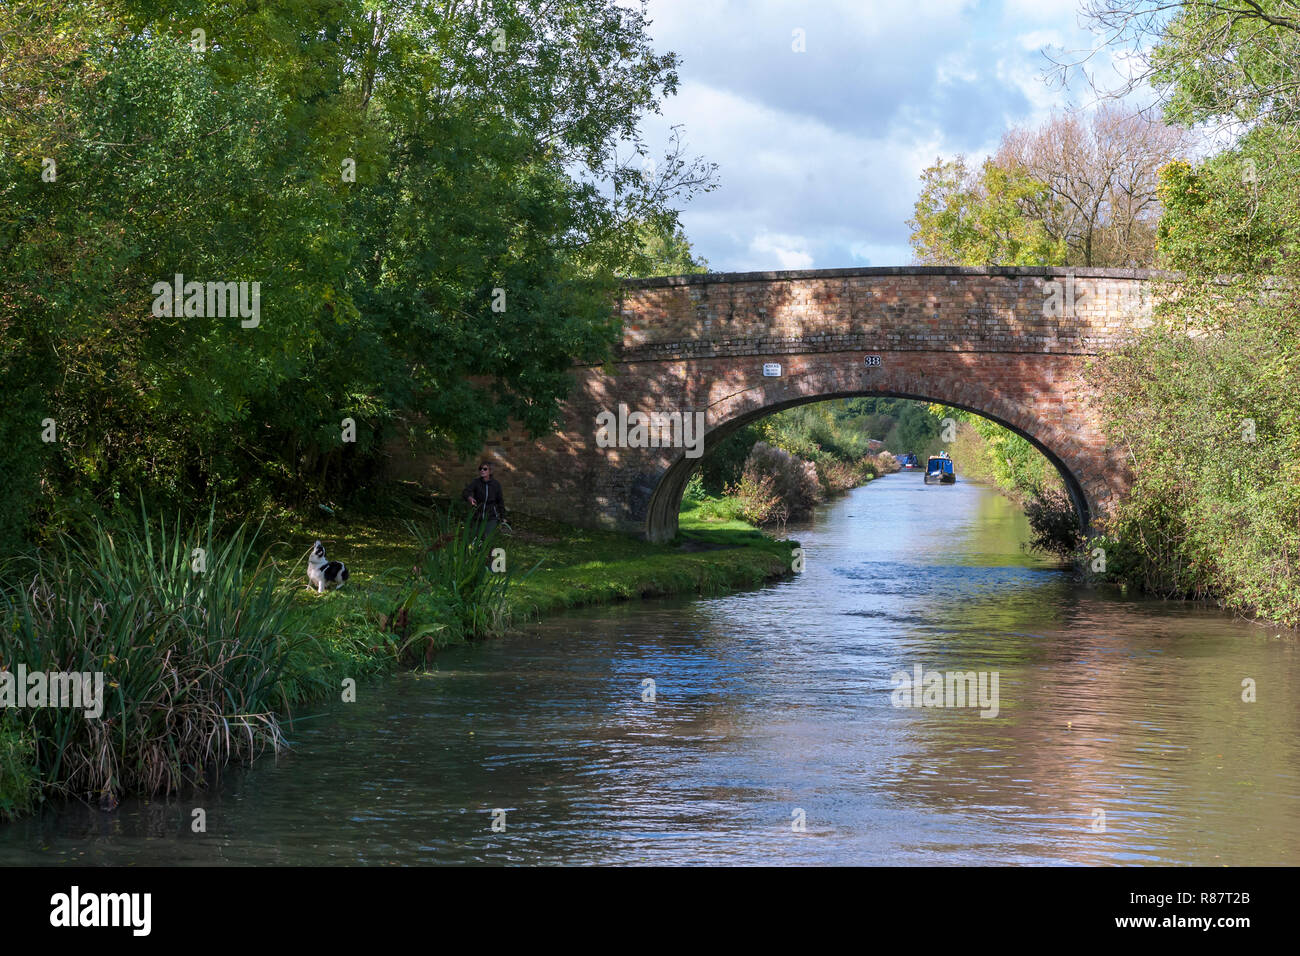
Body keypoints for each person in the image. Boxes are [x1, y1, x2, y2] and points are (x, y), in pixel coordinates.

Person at [461, 461, 506, 538]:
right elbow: (465, 492)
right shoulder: (476, 482)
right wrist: (470, 498)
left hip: (491, 517)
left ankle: (490, 550)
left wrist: (503, 516)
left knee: (487, 539)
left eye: (485, 469)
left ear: (490, 471)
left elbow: (500, 501)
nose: (482, 470)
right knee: (476, 539)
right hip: (477, 516)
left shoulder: (496, 484)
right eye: (480, 469)